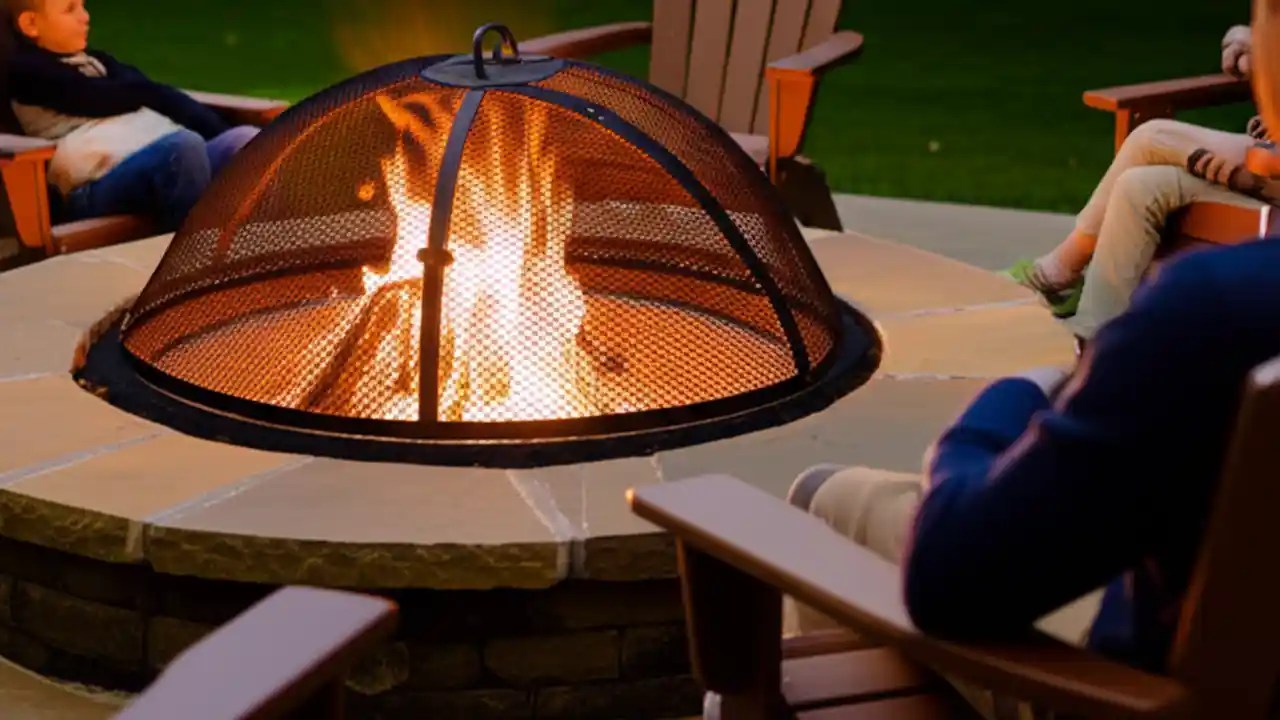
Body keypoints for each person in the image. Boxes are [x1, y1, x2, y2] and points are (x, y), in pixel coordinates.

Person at [757, 232, 1280, 719]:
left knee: (825, 497)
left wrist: (1017, 396)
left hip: (1129, 694)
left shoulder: (1213, 310)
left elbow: (947, 577)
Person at [1005, 22, 1277, 340]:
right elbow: (1248, 36)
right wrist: (1247, 44)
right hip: (1265, 163)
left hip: (1270, 166)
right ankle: (1093, 334)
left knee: (1152, 137)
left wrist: (1255, 54)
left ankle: (1059, 271)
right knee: (1139, 186)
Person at [5, 0, 259, 232]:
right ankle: (188, 265)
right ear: (30, 24)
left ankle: (270, 259)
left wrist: (218, 131)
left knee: (246, 142)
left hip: (152, 163)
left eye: (83, 6)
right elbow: (100, 99)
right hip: (93, 187)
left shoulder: (96, 61)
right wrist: (147, 94)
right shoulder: (25, 72)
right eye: (70, 9)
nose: (85, 17)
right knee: (182, 149)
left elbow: (157, 95)